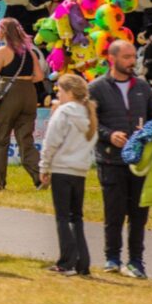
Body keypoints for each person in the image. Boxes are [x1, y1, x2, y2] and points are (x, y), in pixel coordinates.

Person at [87, 37, 152, 278]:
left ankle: (137, 260)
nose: (132, 62)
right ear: (112, 58)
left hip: (139, 162)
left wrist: (147, 132)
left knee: (139, 215)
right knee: (114, 213)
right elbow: (88, 123)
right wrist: (109, 135)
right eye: (127, 57)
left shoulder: (142, 87)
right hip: (111, 160)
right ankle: (112, 257)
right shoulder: (96, 88)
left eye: (133, 57)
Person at [40, 72, 97, 276]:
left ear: (70, 92)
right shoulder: (88, 112)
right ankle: (83, 261)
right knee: (76, 217)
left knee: (63, 217)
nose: (59, 95)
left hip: (62, 168)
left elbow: (51, 141)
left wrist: (44, 167)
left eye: (61, 91)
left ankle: (66, 261)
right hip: (80, 170)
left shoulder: (64, 112)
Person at [0, 16, 45, 191]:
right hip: (29, 92)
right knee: (26, 139)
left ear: (3, 31)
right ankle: (40, 177)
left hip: (10, 93)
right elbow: (40, 76)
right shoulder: (29, 52)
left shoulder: (3, 51)